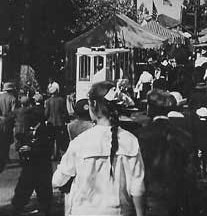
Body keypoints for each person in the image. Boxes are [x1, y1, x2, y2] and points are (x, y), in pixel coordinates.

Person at [52, 81, 146, 216]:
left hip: (84, 211)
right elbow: (137, 188)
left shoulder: (80, 142)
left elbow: (57, 180)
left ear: (93, 105)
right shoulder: (130, 140)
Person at [139, 90, 196, 216]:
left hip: (149, 196)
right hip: (175, 195)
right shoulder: (183, 136)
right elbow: (190, 173)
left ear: (150, 108)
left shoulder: (141, 136)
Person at [11, 93, 55, 216]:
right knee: (22, 190)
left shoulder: (46, 129)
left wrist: (31, 149)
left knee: (43, 192)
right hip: (30, 164)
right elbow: (24, 140)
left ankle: (45, 209)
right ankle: (17, 207)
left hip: (41, 165)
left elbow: (47, 148)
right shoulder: (30, 129)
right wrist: (22, 147)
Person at [45, 84, 69, 160]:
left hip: (50, 122)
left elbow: (46, 113)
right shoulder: (61, 100)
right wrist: (66, 120)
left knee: (51, 139)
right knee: (58, 139)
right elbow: (64, 112)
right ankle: (57, 153)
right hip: (59, 122)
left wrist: (46, 118)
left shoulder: (48, 101)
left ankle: (52, 154)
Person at [192, 107, 207, 178]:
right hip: (206, 143)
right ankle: (204, 171)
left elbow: (193, 133)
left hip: (197, 142)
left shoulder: (195, 123)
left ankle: (198, 171)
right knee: (205, 157)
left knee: (197, 157)